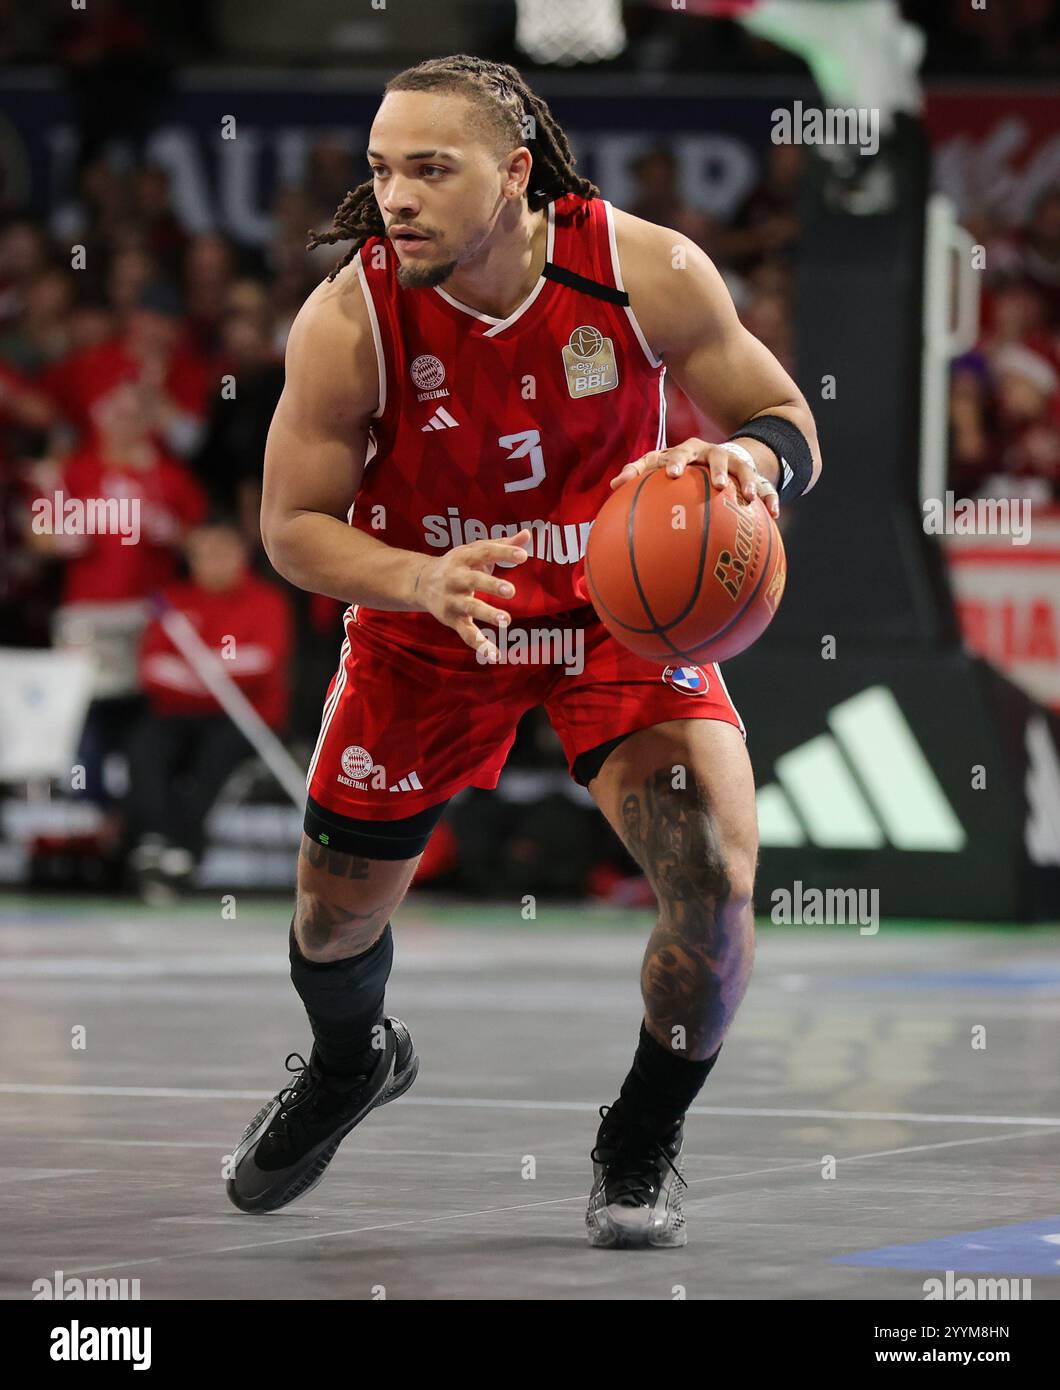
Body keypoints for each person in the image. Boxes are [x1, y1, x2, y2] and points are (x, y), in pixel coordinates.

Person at [225, 55, 822, 1248]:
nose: (394, 197)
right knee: (332, 924)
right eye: (382, 170)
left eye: (429, 169)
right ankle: (352, 1062)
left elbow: (784, 419)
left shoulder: (643, 268)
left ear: (512, 172)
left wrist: (745, 466)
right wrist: (415, 579)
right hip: (434, 620)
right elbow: (289, 527)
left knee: (712, 883)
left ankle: (639, 1136)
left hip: (616, 616)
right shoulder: (351, 316)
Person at [127, 515, 292, 901]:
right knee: (145, 747)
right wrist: (204, 677)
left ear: (241, 554)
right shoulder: (174, 602)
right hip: (179, 715)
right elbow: (152, 667)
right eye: (202, 554)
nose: (212, 562)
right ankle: (155, 843)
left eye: (221, 552)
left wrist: (202, 670)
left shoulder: (267, 602)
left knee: (213, 759)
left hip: (245, 719)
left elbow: (262, 662)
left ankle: (184, 851)